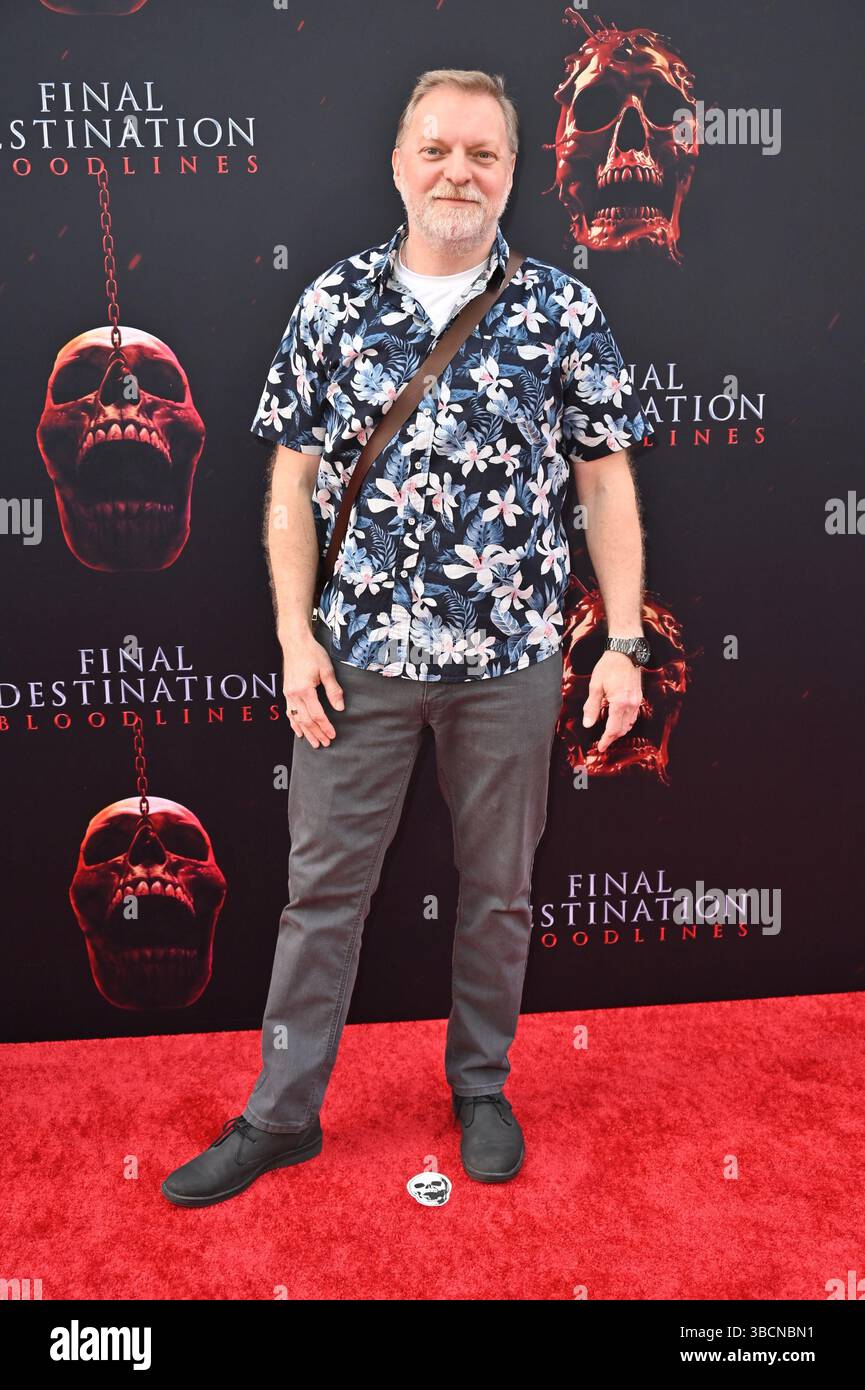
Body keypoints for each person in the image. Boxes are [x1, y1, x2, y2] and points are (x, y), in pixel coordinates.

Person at [162, 68, 655, 1207]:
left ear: (513, 174)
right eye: (435, 149)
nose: (457, 172)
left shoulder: (561, 312)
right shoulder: (332, 306)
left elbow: (606, 483)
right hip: (356, 664)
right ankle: (281, 1115)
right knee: (320, 893)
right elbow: (286, 488)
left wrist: (619, 641)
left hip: (512, 667)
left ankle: (481, 1084)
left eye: (482, 155)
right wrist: (293, 637)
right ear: (397, 164)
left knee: (497, 889)